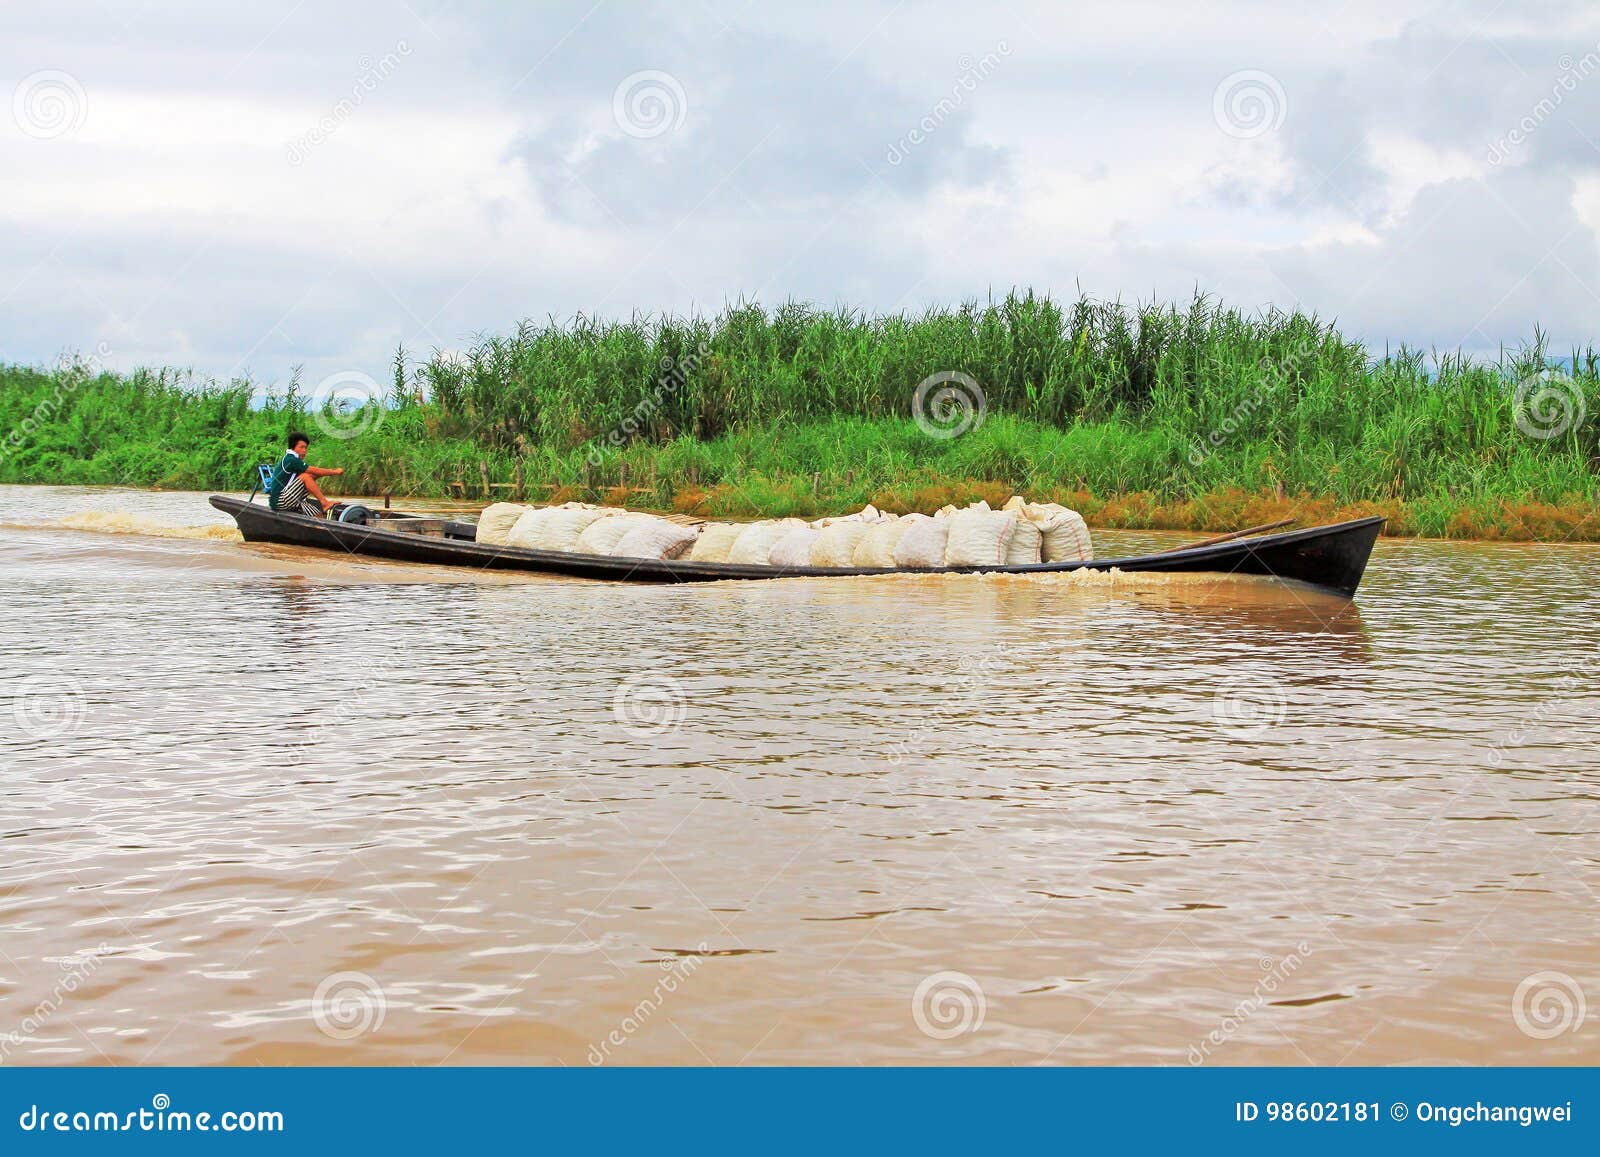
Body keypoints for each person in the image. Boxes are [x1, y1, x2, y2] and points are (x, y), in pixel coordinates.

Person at [266, 431, 344, 517]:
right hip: (279, 500)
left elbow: (314, 474)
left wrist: (323, 473)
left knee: (318, 515)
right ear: (293, 447)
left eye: (306, 448)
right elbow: (313, 471)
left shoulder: (293, 459)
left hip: (294, 499)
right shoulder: (291, 460)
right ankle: (324, 502)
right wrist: (334, 472)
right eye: (301, 447)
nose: (304, 451)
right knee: (306, 476)